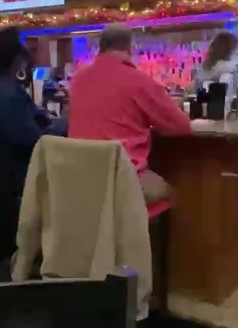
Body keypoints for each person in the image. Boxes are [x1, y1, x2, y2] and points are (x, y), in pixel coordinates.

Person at [69, 25, 193, 203]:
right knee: (172, 194)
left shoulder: (77, 79)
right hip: (123, 179)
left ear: (101, 47)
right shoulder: (139, 80)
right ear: (129, 48)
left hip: (81, 178)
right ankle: (142, 222)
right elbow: (181, 127)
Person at [0, 28, 54, 154]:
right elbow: (34, 140)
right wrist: (60, 127)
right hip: (11, 163)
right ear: (18, 59)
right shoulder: (11, 94)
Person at [193, 31, 238, 100]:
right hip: (225, 103)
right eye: (235, 49)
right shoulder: (230, 69)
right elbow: (236, 91)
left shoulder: (203, 66)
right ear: (230, 50)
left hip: (203, 103)